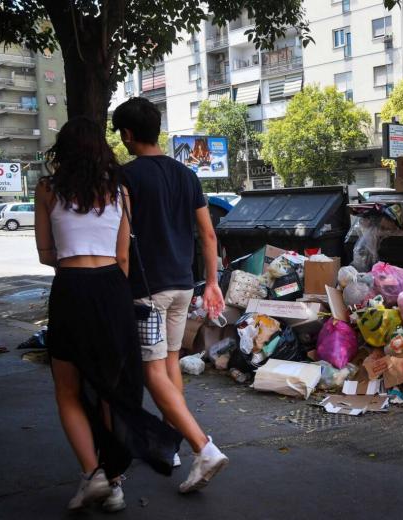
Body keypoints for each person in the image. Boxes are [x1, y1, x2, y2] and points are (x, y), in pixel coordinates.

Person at [34, 117, 182, 512]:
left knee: (68, 389)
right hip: (113, 289)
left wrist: (72, 258)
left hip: (71, 288)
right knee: (111, 389)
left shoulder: (47, 188)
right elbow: (122, 257)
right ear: (101, 150)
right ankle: (114, 484)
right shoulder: (119, 190)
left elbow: (45, 253)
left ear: (62, 151)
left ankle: (92, 474)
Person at [111, 97, 228, 494]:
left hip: (147, 291)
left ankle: (200, 447)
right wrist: (211, 282)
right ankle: (170, 444)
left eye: (121, 134)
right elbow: (208, 233)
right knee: (171, 362)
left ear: (128, 134)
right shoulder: (187, 174)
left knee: (152, 371)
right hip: (182, 285)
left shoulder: (125, 177)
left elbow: (120, 241)